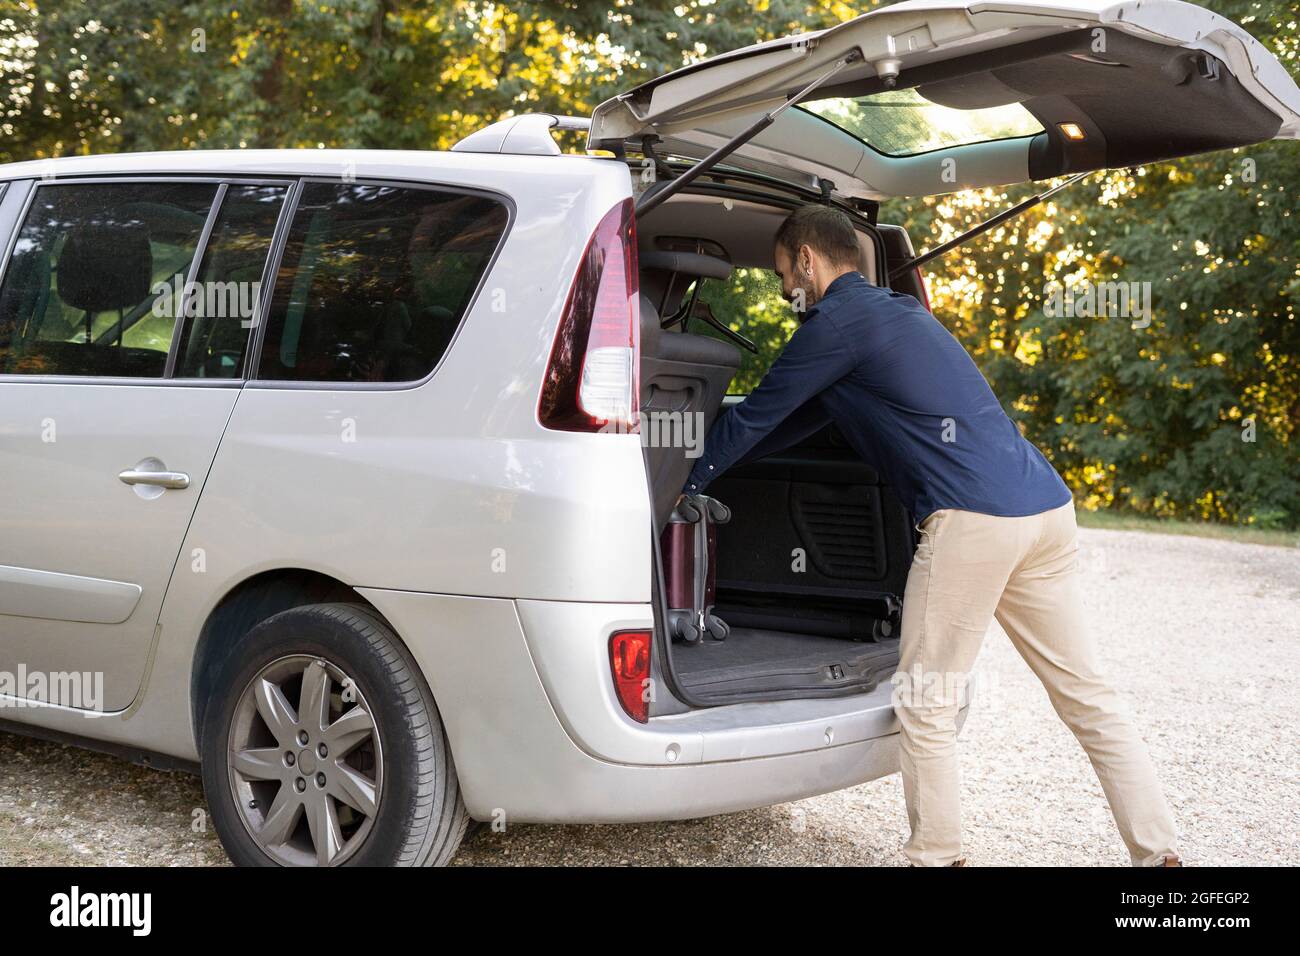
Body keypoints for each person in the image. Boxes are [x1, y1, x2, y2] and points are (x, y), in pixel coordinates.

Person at [680, 204, 1181, 867]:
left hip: (975, 522)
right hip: (1046, 509)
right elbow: (803, 422)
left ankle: (936, 854)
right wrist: (733, 464)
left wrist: (681, 481)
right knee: (1087, 695)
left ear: (808, 259)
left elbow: (761, 415)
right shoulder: (903, 315)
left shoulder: (831, 323)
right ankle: (1161, 853)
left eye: (781, 273)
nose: (782, 291)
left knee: (924, 701)